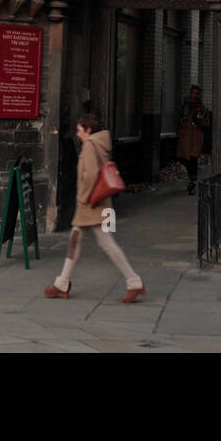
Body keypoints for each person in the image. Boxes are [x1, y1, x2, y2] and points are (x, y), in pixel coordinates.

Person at [44, 113, 145, 304]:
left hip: (91, 204)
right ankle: (63, 282)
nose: (78, 134)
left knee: (106, 244)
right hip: (101, 203)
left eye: (80, 130)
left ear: (88, 130)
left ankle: (134, 281)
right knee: (78, 240)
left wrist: (82, 199)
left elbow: (90, 175)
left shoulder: (90, 146)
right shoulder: (101, 143)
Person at [178, 84, 210, 194]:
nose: (194, 96)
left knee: (193, 159)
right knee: (185, 159)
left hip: (196, 136)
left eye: (196, 94)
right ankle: (191, 180)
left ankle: (193, 182)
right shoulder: (185, 106)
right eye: (193, 93)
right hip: (186, 136)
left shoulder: (201, 108)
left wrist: (199, 119)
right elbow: (180, 119)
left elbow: (205, 121)